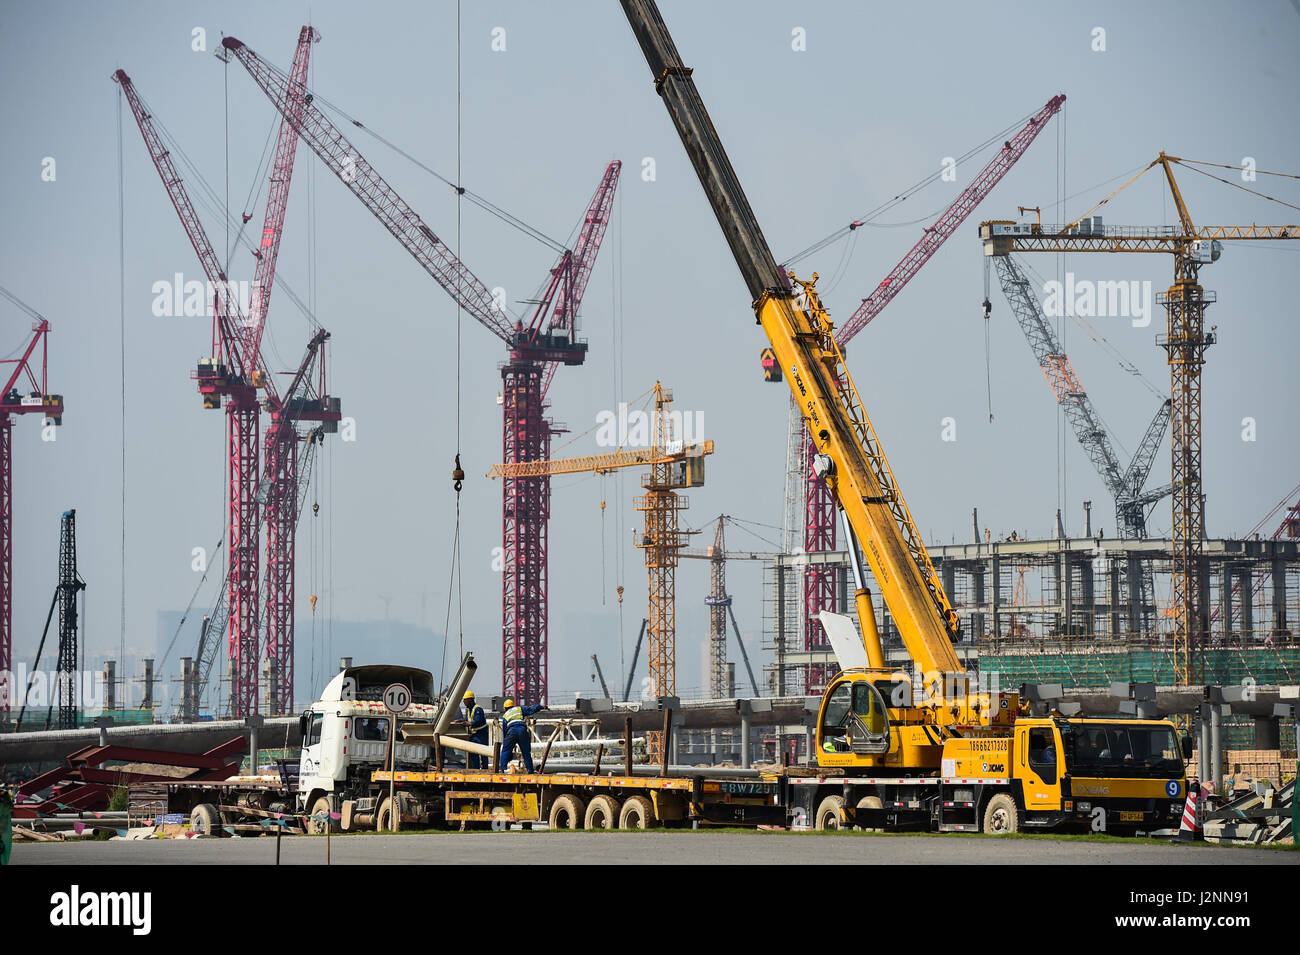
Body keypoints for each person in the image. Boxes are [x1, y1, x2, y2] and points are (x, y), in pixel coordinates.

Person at [498, 698, 547, 772]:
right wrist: (541, 707)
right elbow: (531, 709)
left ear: (505, 708)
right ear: (513, 705)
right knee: (526, 752)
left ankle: (502, 769)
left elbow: (505, 730)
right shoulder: (519, 709)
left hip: (511, 731)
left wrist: (507, 742)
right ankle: (530, 770)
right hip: (522, 730)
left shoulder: (505, 716)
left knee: (506, 750)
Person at [462, 691, 488, 770]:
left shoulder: (477, 709)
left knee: (483, 753)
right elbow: (468, 719)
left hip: (481, 734)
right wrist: (460, 720)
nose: (463, 702)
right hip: (474, 735)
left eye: (465, 700)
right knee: (474, 754)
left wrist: (469, 723)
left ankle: (485, 769)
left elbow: (477, 720)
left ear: (469, 700)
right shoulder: (470, 710)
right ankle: (476, 769)